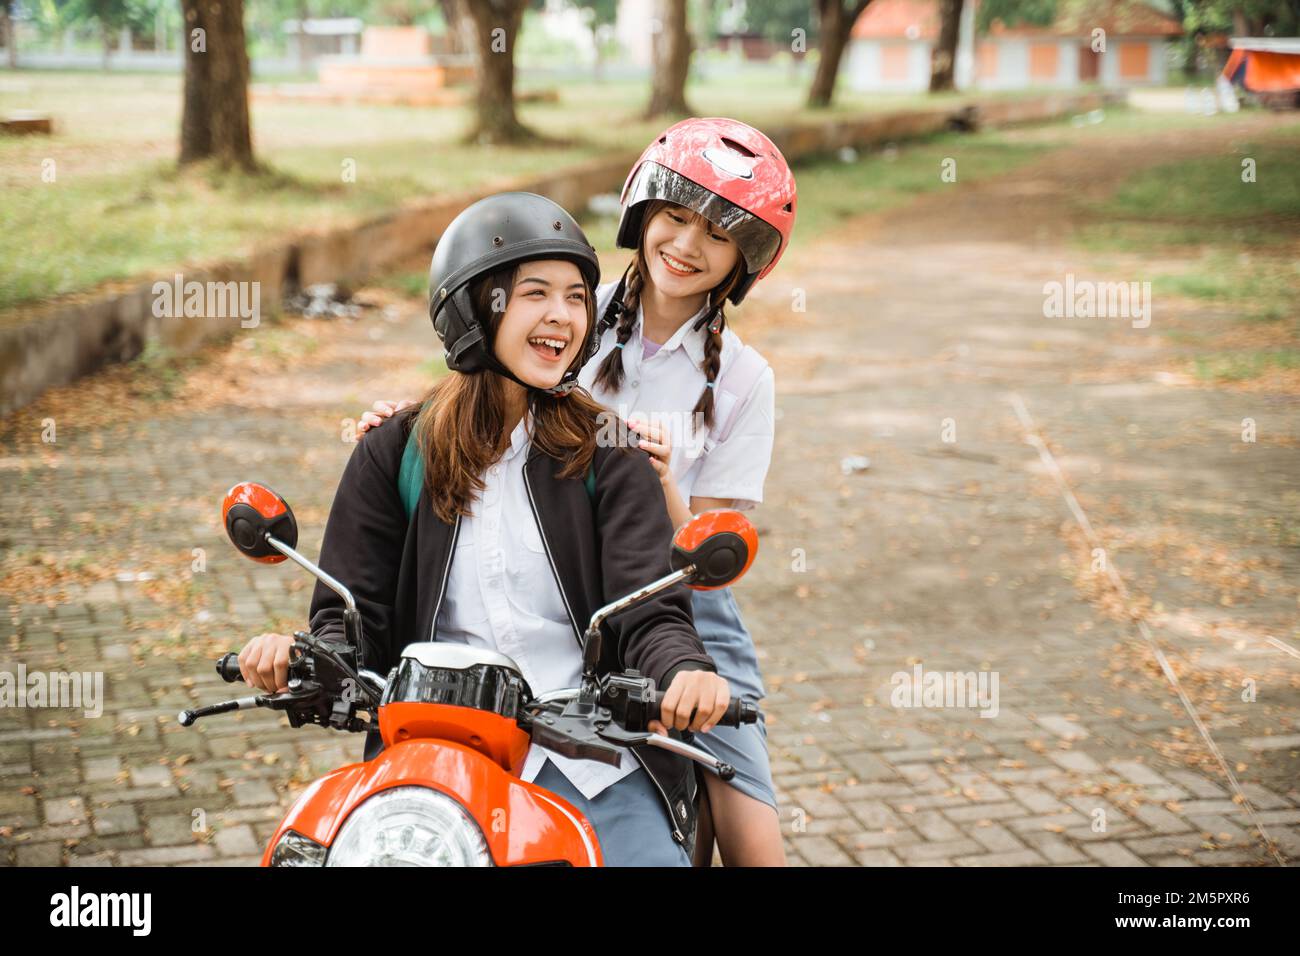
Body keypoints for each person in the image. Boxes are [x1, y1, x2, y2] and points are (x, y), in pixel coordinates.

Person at [237, 191, 732, 866]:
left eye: (577, 297)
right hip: (427, 756)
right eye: (535, 293)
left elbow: (649, 609)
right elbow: (352, 614)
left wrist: (683, 670)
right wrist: (299, 658)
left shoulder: (611, 451)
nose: (562, 315)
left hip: (587, 752)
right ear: (474, 306)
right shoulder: (394, 451)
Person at [359, 118, 797, 866]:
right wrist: (404, 426)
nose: (688, 246)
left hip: (680, 588)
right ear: (642, 213)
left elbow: (720, 530)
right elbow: (487, 386)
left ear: (742, 260)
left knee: (746, 810)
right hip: (562, 577)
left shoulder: (745, 379)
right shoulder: (573, 312)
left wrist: (662, 488)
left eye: (718, 236)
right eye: (677, 218)